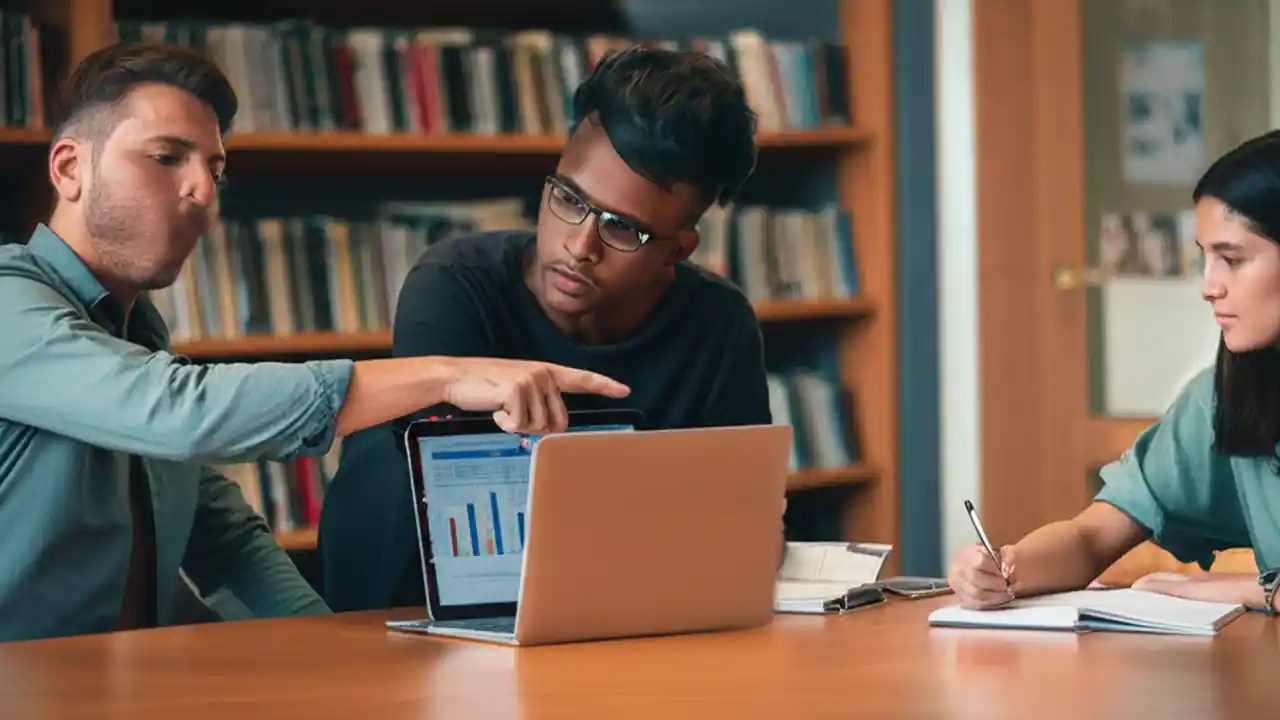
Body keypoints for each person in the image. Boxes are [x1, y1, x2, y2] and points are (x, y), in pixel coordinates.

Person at [0, 42, 630, 643]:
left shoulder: (136, 336)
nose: (202, 192)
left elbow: (225, 539)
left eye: (214, 169)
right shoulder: (10, 305)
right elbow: (178, 410)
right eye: (167, 158)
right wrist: (442, 376)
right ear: (70, 168)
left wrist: (340, 651)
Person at [319, 45, 772, 611]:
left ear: (678, 250)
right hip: (420, 611)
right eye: (569, 199)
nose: (579, 247)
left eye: (623, 230)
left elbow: (741, 529)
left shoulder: (718, 324)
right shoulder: (456, 284)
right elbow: (437, 511)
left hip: (643, 615)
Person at [948, 130, 1280, 615]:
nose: (1208, 287)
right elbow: (1092, 537)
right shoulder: (1227, 396)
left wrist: (1237, 590)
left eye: (1231, 260)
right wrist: (1005, 569)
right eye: (1205, 258)